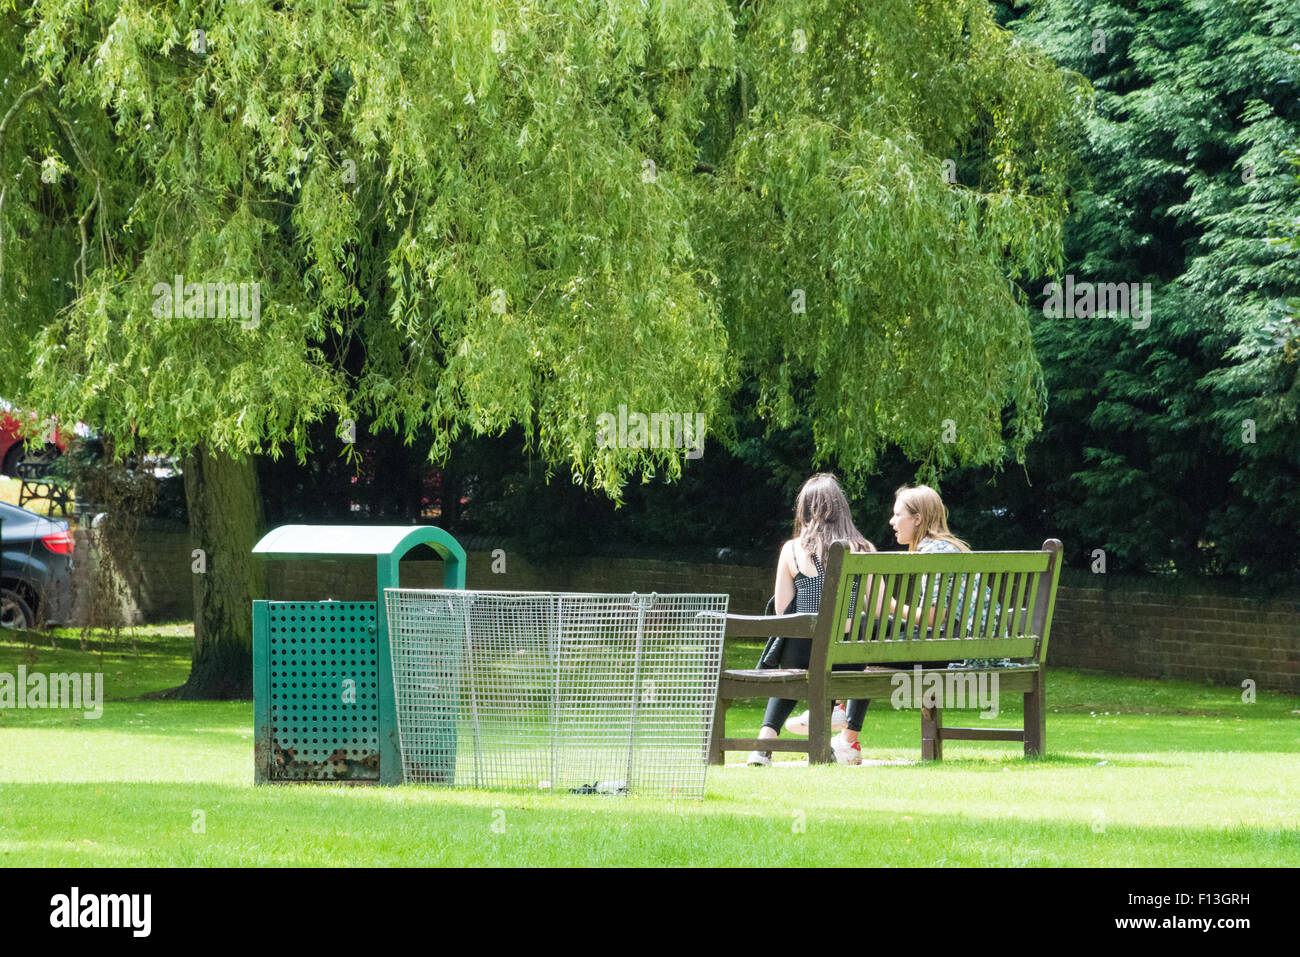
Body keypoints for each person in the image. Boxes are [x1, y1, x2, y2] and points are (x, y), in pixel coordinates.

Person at [831, 484, 986, 763]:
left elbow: (937, 617)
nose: (891, 521)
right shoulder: (951, 548)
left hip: (952, 655)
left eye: (897, 514)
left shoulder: (935, 554)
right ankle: (844, 733)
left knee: (866, 631)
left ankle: (837, 717)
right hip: (968, 647)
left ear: (917, 518)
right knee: (871, 639)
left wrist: (890, 607)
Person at [747, 473, 874, 767]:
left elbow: (781, 614)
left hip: (803, 652)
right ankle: (830, 730)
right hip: (848, 654)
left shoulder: (792, 550)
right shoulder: (863, 548)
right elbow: (878, 608)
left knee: (799, 662)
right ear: (841, 508)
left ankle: (764, 742)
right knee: (836, 655)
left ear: (804, 510)